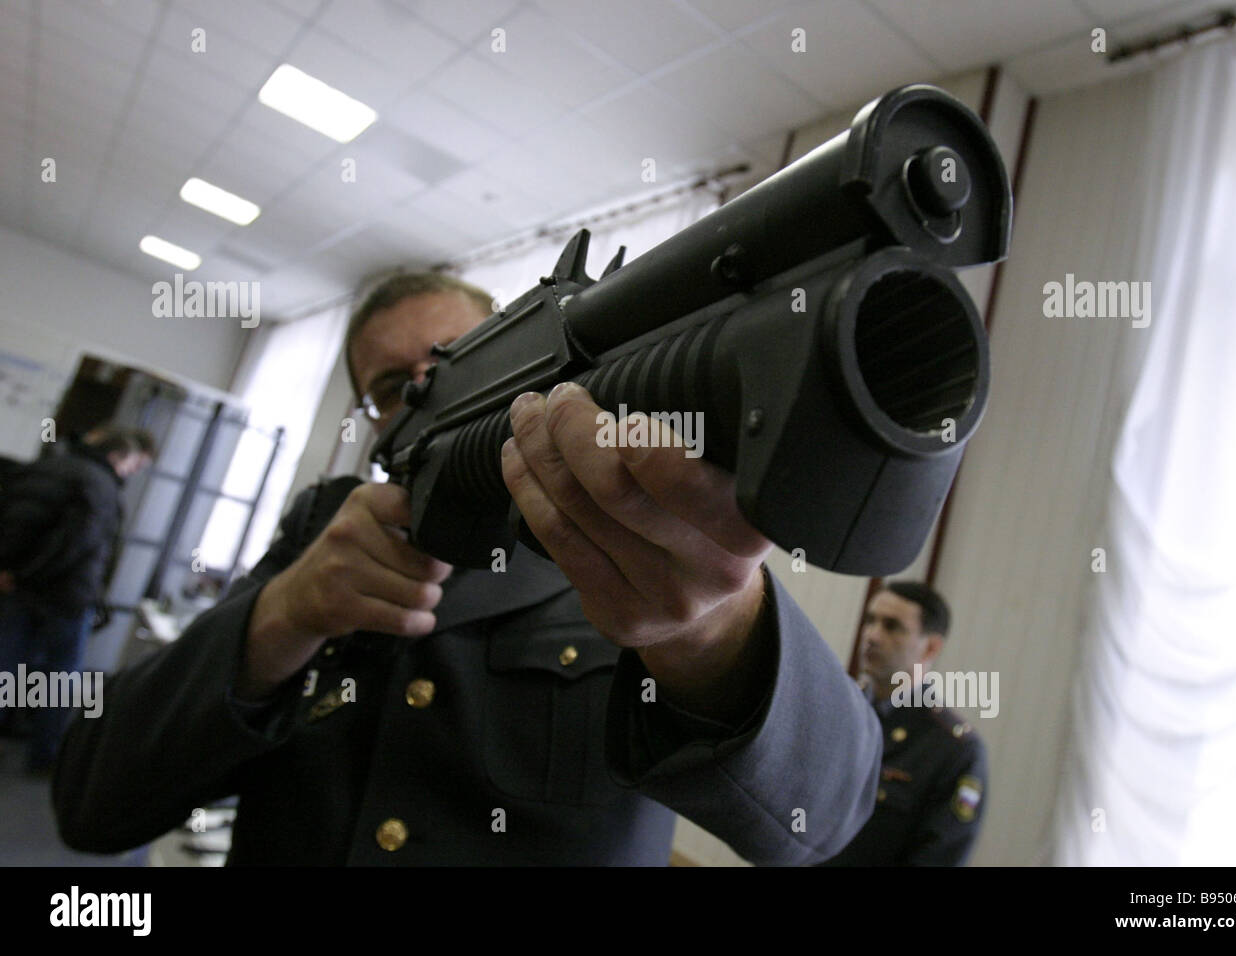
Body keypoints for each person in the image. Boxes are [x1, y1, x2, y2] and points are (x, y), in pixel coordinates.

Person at [52, 272, 882, 865]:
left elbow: (822, 818)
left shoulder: (620, 525)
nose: (425, 389)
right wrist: (285, 614)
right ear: (374, 424)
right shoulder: (323, 526)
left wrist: (715, 635)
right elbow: (92, 800)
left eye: (452, 355)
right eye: (390, 387)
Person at [0, 425, 155, 773]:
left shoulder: (45, 466)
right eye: (132, 465)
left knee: (5, 667)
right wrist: (30, 573)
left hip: (19, 589)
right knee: (60, 678)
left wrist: (12, 569)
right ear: (117, 456)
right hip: (66, 596)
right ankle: (44, 755)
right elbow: (78, 545)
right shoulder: (100, 485)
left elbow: (14, 520)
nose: (130, 473)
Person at [818, 581, 988, 866]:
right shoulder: (835, 712)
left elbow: (939, 857)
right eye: (870, 621)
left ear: (930, 647)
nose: (872, 635)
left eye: (892, 626)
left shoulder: (953, 750)